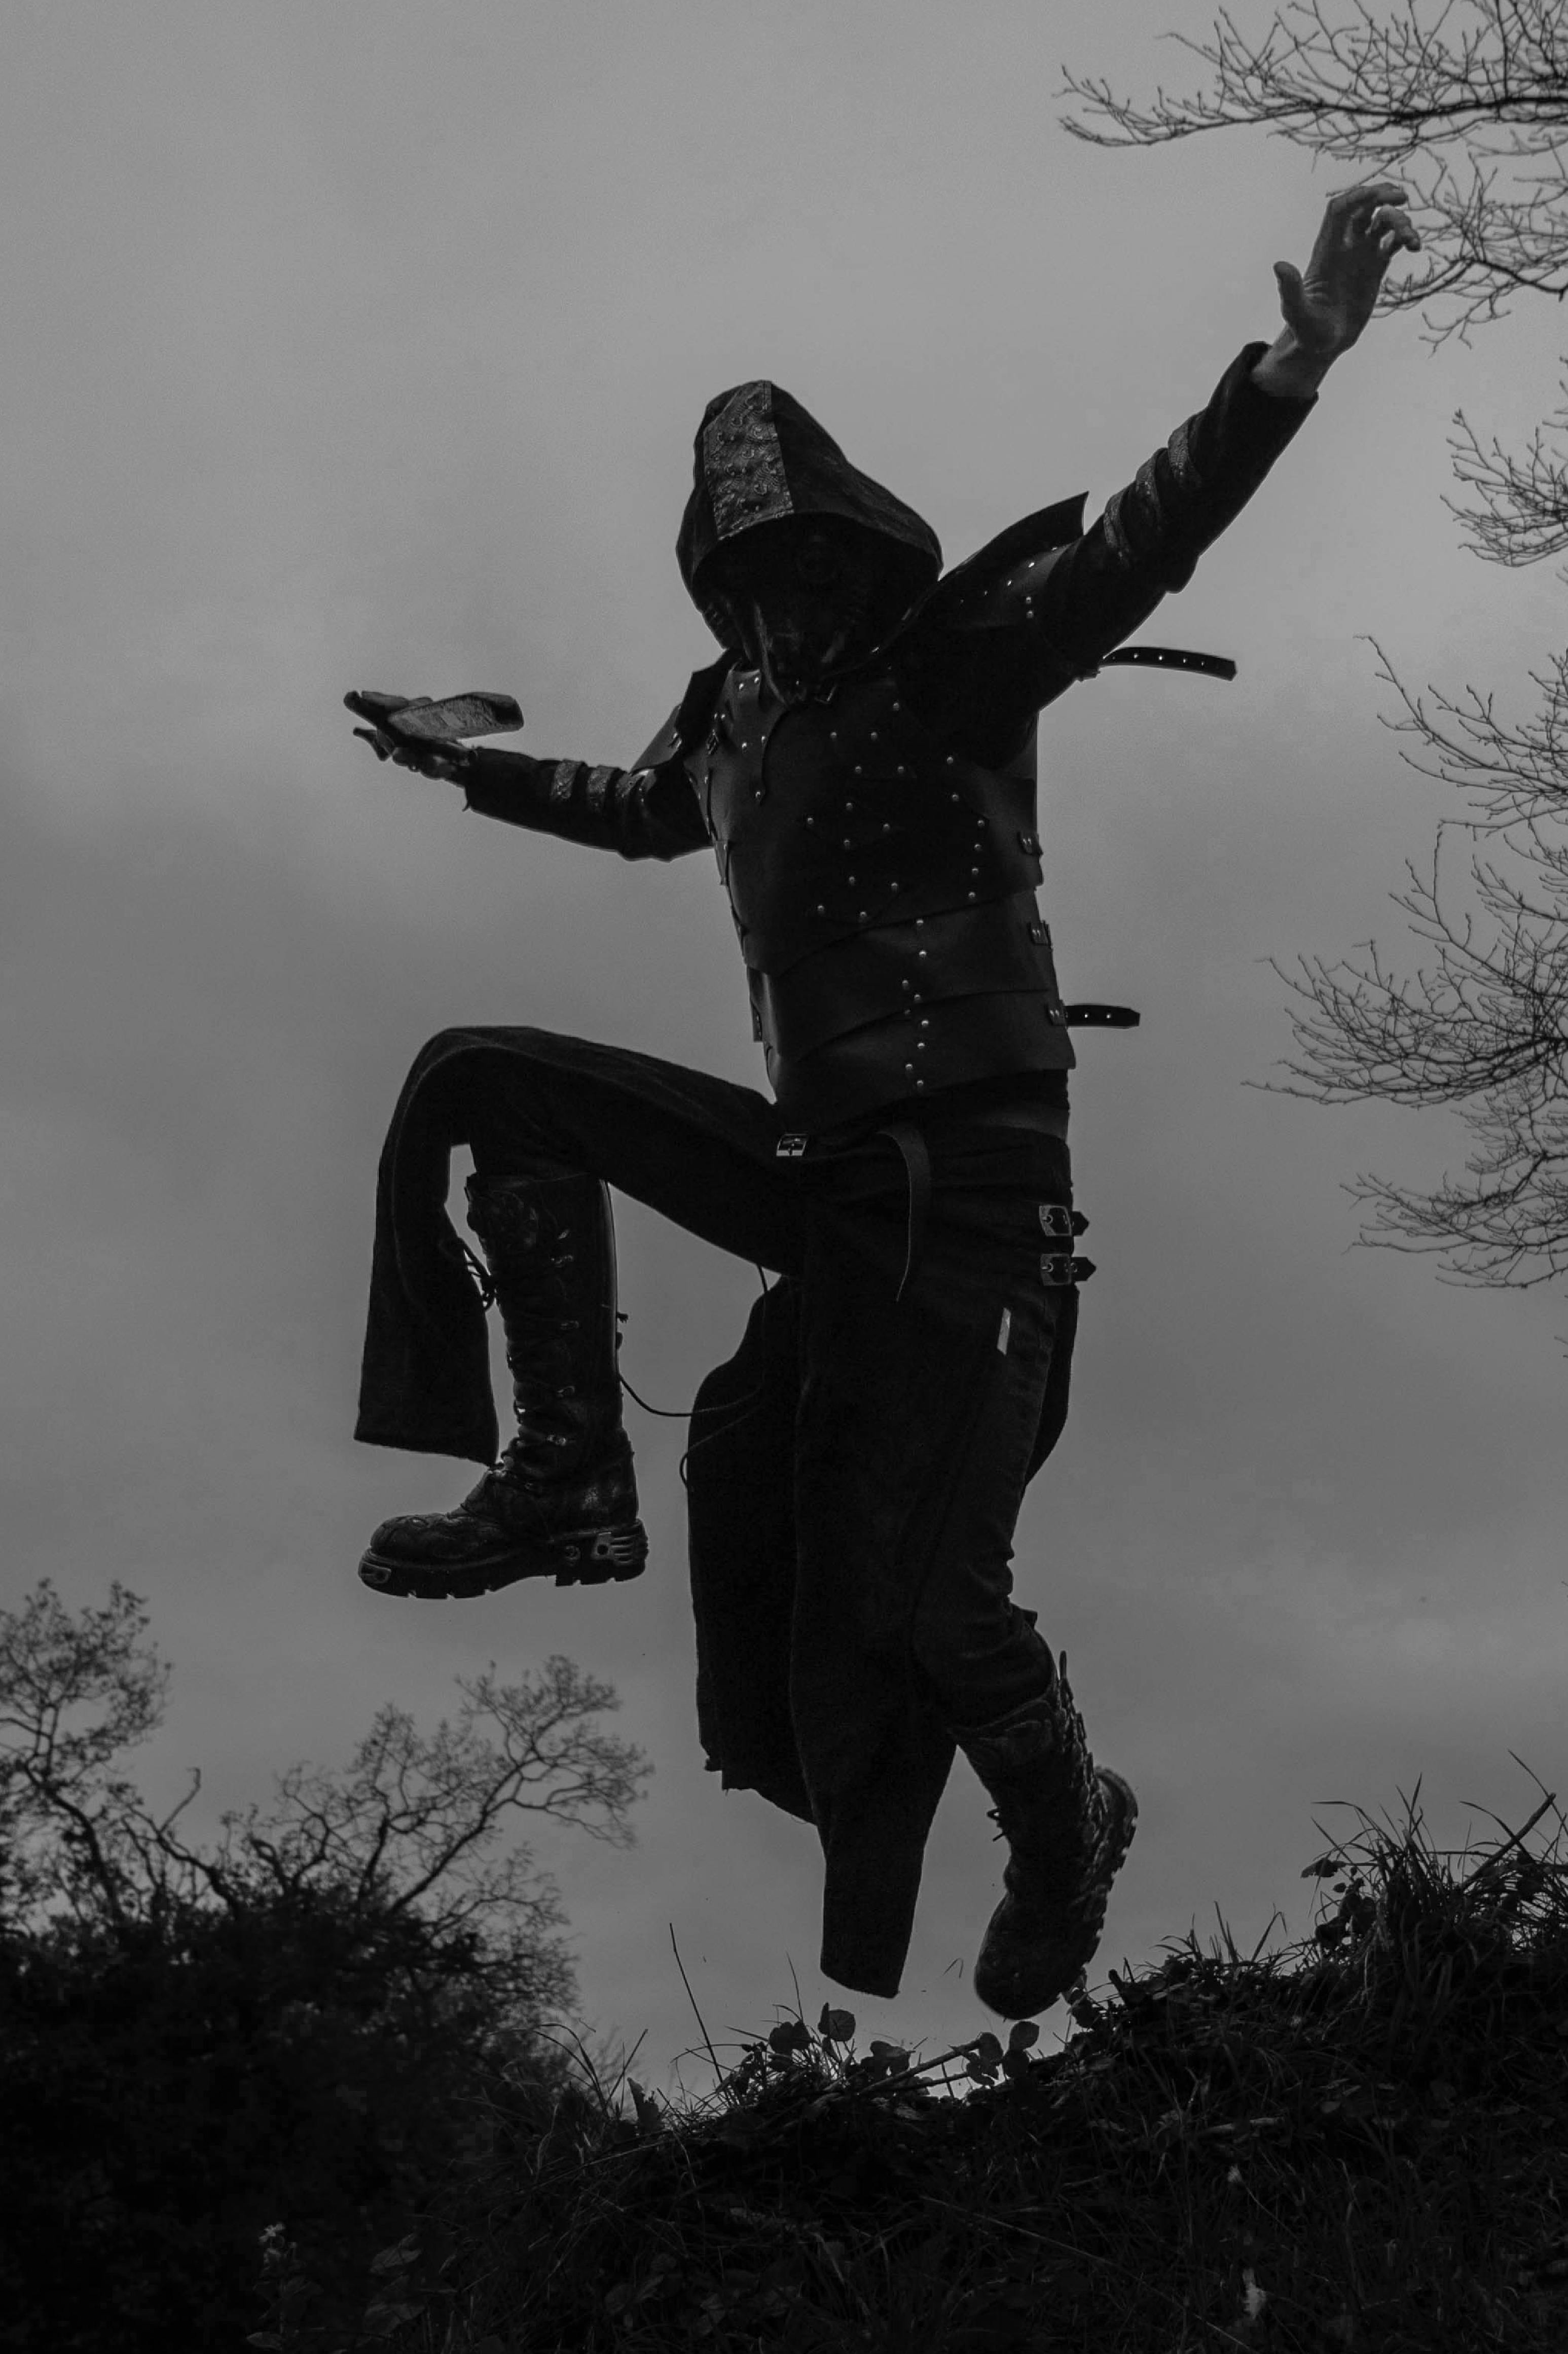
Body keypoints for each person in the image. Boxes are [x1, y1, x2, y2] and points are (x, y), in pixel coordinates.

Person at [350, 187, 1419, 2016]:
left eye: (815, 572)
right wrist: (469, 772)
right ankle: (565, 1465)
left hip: (976, 1193)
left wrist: (1287, 372)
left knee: (933, 1602)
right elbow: (635, 807)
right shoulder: (730, 722)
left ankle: (1068, 1821)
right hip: (821, 1163)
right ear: (719, 586)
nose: (789, 607)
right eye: (754, 581)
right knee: (488, 1080)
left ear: (863, 557)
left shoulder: (958, 658)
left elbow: (1137, 547)